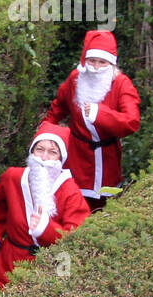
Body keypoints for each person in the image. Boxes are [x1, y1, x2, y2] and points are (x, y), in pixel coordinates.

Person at [0, 122, 90, 290]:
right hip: (9, 261)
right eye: (39, 149)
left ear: (61, 158)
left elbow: (77, 237)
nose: (44, 158)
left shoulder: (70, 191)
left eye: (52, 152)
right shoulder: (13, 177)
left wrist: (46, 229)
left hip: (49, 264)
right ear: (32, 151)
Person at [44, 29, 140, 211]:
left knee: (104, 205)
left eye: (102, 62)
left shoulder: (121, 84)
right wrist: (44, 137)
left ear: (111, 64)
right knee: (72, 202)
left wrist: (100, 114)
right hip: (76, 156)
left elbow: (131, 122)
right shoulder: (75, 79)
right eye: (92, 61)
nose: (95, 67)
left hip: (107, 159)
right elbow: (57, 108)